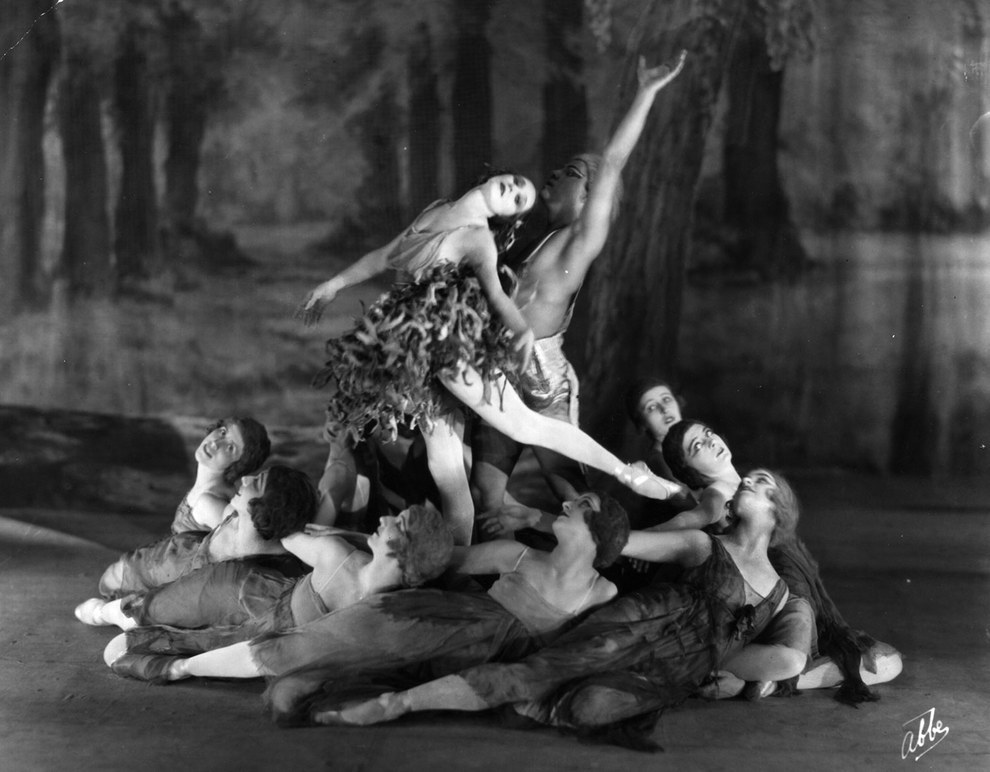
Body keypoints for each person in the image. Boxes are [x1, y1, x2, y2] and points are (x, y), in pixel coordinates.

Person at [298, 170, 681, 544]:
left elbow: (498, 297)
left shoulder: (479, 238)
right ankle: (455, 574)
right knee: (446, 470)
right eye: (517, 184)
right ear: (491, 178)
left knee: (524, 426)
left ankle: (628, 474)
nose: (515, 189)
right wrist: (334, 284)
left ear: (505, 216)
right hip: (412, 361)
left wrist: (522, 330)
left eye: (520, 200)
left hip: (450, 349)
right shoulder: (435, 211)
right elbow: (384, 256)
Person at [308, 469, 798, 749]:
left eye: (758, 481)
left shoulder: (780, 594)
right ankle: (393, 705)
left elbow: (775, 654)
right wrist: (537, 516)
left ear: (779, 506)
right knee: (531, 674)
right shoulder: (700, 544)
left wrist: (749, 678)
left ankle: (442, 692)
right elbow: (617, 540)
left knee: (583, 707)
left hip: (674, 669)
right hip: (637, 624)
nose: (744, 483)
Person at [101, 491, 629, 730]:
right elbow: (441, 556)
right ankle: (177, 666)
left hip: (489, 662)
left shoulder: (603, 596)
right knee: (330, 640)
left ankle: (188, 656)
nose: (567, 506)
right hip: (449, 622)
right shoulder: (520, 554)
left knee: (338, 668)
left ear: (599, 533)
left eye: (581, 506)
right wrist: (361, 543)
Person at [471, 52, 688, 515]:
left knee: (573, 493)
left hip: (541, 381)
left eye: (572, 173)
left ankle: (607, 560)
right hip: (501, 372)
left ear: (593, 200)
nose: (554, 174)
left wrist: (646, 92)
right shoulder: (532, 241)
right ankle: (479, 572)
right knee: (483, 495)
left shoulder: (580, 241)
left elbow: (612, 161)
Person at [98, 506, 453, 679]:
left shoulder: (385, 604)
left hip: (284, 642)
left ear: (404, 549)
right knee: (207, 620)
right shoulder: (339, 555)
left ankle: (137, 629)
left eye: (398, 523)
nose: (384, 520)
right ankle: (124, 616)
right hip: (270, 602)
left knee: (209, 645)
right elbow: (287, 537)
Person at [82, 465, 315, 603]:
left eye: (257, 481)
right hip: (169, 556)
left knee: (113, 585)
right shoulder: (234, 514)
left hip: (173, 587)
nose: (246, 478)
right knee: (111, 578)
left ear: (272, 505)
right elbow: (203, 503)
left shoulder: (270, 562)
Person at [170, 416, 272, 534]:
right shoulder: (206, 485)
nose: (215, 443)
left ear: (239, 464)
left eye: (230, 447)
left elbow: (240, 547)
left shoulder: (210, 504)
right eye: (223, 432)